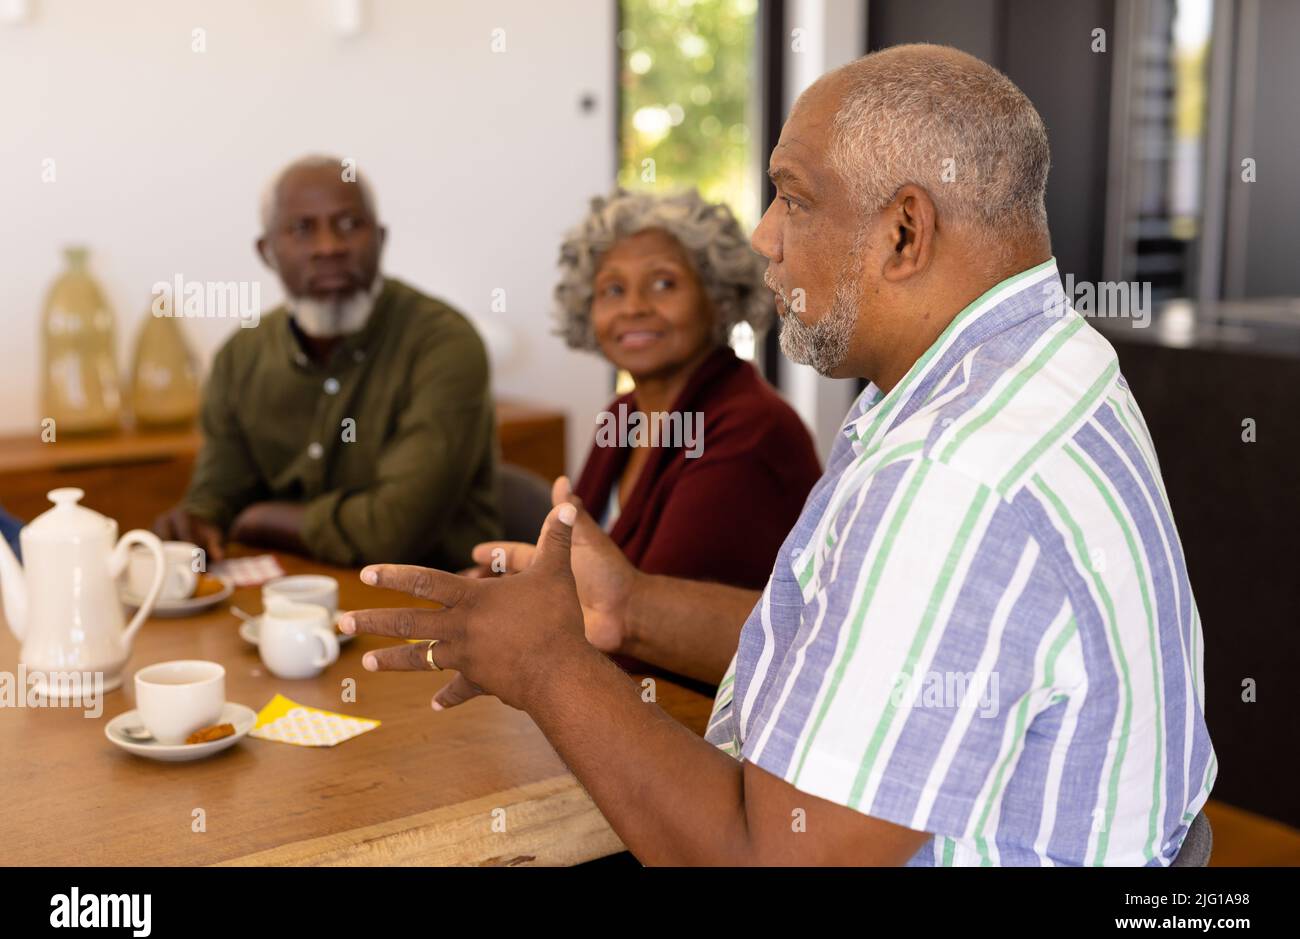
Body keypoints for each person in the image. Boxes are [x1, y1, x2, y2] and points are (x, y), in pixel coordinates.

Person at [342, 45, 1215, 866]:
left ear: (904, 232)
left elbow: (766, 855)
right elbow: (850, 644)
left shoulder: (952, 476)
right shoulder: (1038, 362)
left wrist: (548, 665)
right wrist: (632, 608)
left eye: (792, 198)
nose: (765, 235)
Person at [154, 155, 499, 569]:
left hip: (436, 605)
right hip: (292, 603)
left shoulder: (444, 345)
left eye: (350, 225)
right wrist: (197, 522)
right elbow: (217, 496)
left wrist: (261, 519)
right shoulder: (239, 358)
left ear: (381, 239)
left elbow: (390, 533)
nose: (329, 247)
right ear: (267, 252)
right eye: (302, 229)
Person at [552, 188, 820, 589]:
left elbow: (654, 621)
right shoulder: (623, 414)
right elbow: (564, 568)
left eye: (663, 284)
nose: (634, 308)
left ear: (719, 298)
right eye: (613, 290)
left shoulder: (750, 429)